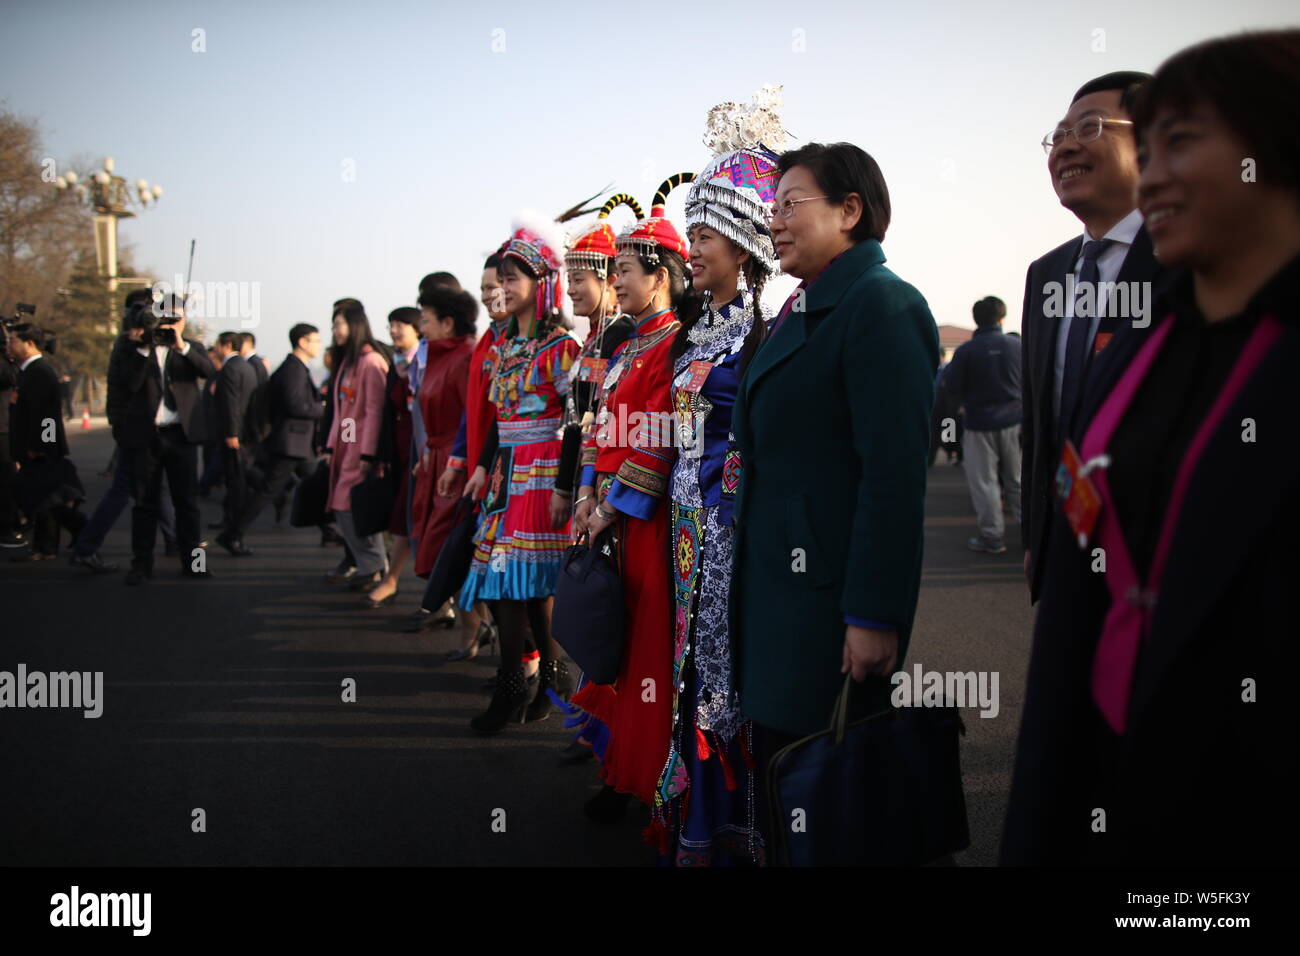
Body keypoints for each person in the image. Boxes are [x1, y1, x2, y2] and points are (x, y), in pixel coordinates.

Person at [1003, 28, 1300, 867]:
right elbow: (1056, 433)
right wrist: (1048, 538)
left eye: (1182, 140)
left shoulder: (1235, 329)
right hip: (1105, 702)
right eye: (1054, 134)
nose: (1159, 175)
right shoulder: (1149, 340)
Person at [729, 143, 939, 857]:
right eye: (771, 207)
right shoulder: (799, 305)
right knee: (792, 783)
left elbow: (893, 475)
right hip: (777, 597)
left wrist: (874, 614)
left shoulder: (882, 304)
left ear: (850, 211)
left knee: (832, 791)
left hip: (828, 605)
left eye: (791, 204)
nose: (774, 221)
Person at [652, 92, 782, 865]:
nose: (690, 248)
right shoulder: (695, 332)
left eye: (703, 234)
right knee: (689, 672)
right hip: (685, 530)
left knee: (730, 681)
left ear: (742, 243)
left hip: (738, 538)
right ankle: (697, 826)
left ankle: (743, 829)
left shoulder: (767, 331)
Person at [569, 174, 696, 821]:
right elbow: (598, 428)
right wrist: (587, 492)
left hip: (645, 524)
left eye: (623, 270)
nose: (615, 282)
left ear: (662, 275)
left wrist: (612, 506)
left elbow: (662, 442)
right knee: (612, 645)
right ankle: (619, 768)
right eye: (613, 270)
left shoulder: (674, 344)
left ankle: (643, 781)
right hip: (610, 517)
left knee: (643, 649)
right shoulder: (626, 343)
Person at [1021, 71, 1166, 604]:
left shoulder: (1188, 261)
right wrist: (1035, 536)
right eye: (1056, 136)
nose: (1066, 146)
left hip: (1157, 561)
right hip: (1064, 544)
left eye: (1090, 126)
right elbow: (1039, 426)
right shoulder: (1046, 273)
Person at [458, 216, 580, 733]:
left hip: (542, 472)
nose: (501, 290)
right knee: (509, 585)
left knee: (526, 587)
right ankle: (530, 683)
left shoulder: (561, 348)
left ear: (540, 285)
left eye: (513, 279)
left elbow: (577, 423)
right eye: (499, 280)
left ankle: (535, 683)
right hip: (507, 472)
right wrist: (482, 467)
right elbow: (497, 420)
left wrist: (564, 487)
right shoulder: (503, 345)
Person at [110, 294, 215, 584]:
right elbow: (127, 384)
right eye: (166, 317)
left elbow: (208, 372)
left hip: (180, 435)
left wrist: (180, 344)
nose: (171, 323)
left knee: (188, 504)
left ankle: (194, 563)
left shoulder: (191, 347)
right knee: (144, 503)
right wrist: (144, 346)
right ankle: (141, 565)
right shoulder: (133, 349)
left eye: (177, 318)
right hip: (145, 437)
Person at [224, 323, 325, 554]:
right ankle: (232, 532)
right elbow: (296, 405)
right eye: (316, 340)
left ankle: (330, 531)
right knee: (268, 491)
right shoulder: (294, 369)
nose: (319, 345)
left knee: (315, 486)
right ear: (302, 342)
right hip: (291, 443)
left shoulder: (295, 367)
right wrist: (324, 408)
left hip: (295, 443)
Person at [406, 289, 475, 615]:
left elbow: (469, 417)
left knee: (450, 544)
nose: (423, 328)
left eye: (426, 320)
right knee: (440, 543)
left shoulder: (464, 357)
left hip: (454, 462)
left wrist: (457, 462)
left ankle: (474, 627)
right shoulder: (437, 355)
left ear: (448, 323)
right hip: (436, 457)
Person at [942, 296, 1023, 553]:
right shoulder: (1017, 346)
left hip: (978, 423)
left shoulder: (966, 351)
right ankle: (1031, 536)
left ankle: (992, 537)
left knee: (985, 484)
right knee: (1018, 481)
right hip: (1015, 422)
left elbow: (951, 386)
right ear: (1002, 318)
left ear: (976, 319)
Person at [323, 302, 391, 591]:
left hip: (361, 447)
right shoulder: (348, 363)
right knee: (344, 504)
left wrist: (366, 452)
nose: (334, 330)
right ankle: (371, 567)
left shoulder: (371, 361)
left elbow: (374, 410)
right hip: (348, 444)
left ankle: (375, 565)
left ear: (354, 325)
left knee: (349, 504)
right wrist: (332, 447)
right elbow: (343, 411)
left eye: (338, 324)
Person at [7, 325, 87, 560]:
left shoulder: (40, 372)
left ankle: (54, 542)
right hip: (34, 448)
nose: (10, 345)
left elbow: (47, 415)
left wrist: (41, 447)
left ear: (29, 344)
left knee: (43, 499)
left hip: (40, 450)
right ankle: (46, 545)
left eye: (14, 341)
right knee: (43, 499)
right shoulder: (29, 371)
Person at [361, 308, 422, 608]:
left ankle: (392, 579)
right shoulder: (395, 364)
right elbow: (385, 411)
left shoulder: (422, 361)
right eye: (391, 326)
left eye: (400, 326)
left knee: (407, 518)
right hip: (398, 451)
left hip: (420, 451)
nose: (394, 331)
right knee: (404, 517)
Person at [213, 331, 258, 553]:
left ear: (227, 345)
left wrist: (231, 433)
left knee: (237, 483)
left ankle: (234, 528)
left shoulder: (230, 368)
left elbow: (231, 404)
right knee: (240, 480)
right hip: (245, 434)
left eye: (217, 345)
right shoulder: (246, 366)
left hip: (235, 435)